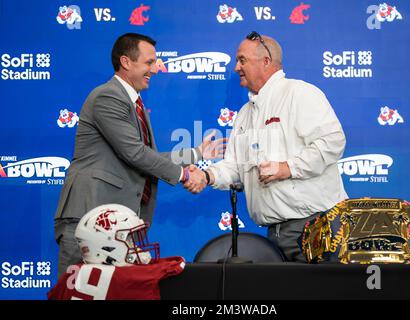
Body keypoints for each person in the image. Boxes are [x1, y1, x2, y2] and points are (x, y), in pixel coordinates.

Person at [54, 33, 221, 278]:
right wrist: (185, 174)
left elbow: (145, 155)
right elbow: (134, 153)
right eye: (149, 62)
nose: (155, 69)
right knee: (78, 291)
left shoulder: (133, 102)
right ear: (126, 62)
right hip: (89, 216)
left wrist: (195, 153)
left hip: (112, 225)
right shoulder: (108, 96)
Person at [184, 31, 348, 262]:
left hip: (317, 229)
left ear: (266, 61)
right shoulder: (244, 114)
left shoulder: (300, 93)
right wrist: (207, 175)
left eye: (242, 60)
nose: (236, 68)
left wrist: (287, 167)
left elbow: (332, 141)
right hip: (275, 235)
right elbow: (234, 166)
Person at [48, 204, 185, 300]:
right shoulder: (130, 279)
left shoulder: (75, 274)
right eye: (129, 239)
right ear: (106, 244)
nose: (135, 246)